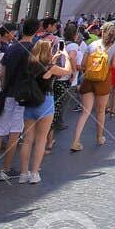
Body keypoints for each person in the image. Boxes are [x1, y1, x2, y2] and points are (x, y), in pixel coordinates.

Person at [18, 39, 70, 183]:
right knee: (41, 140)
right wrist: (66, 56)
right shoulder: (51, 67)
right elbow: (67, 71)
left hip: (30, 103)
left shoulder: (30, 65)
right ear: (48, 51)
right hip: (45, 103)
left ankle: (23, 173)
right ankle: (34, 173)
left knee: (27, 140)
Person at [0, 24, 32, 181]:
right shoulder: (31, 49)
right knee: (15, 132)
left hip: (7, 93)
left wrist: (3, 89)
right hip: (21, 96)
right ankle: (6, 169)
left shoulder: (11, 48)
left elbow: (3, 72)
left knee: (0, 131)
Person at [70, 25, 115, 151]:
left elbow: (83, 64)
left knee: (85, 112)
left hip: (89, 79)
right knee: (100, 111)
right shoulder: (114, 46)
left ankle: (75, 141)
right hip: (103, 80)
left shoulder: (92, 45)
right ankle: (99, 137)